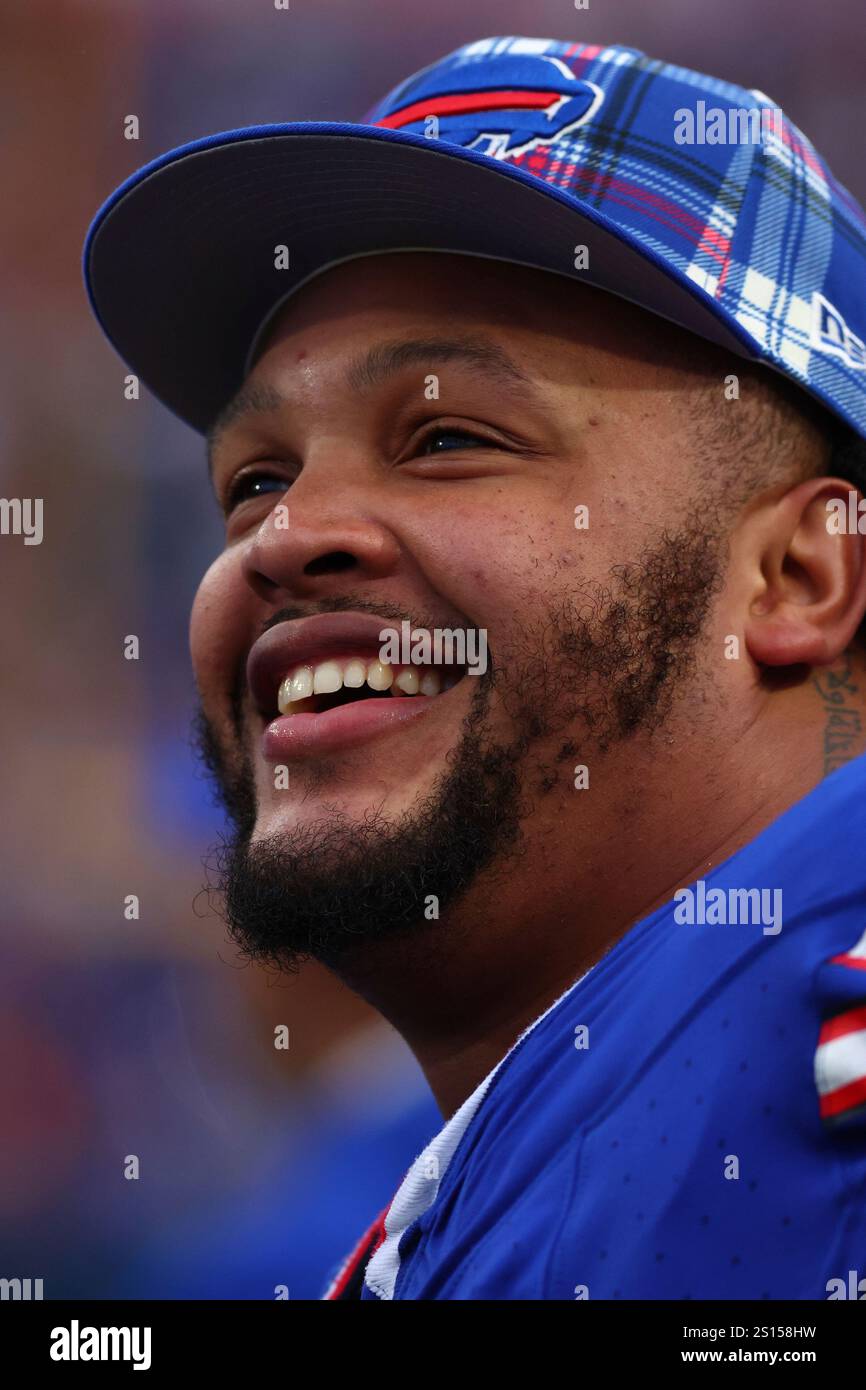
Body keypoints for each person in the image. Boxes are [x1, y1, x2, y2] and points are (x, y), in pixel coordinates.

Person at [85, 36, 866, 1300]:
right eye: (255, 480)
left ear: (793, 578)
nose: (283, 538)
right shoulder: (543, 1150)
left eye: (446, 436)